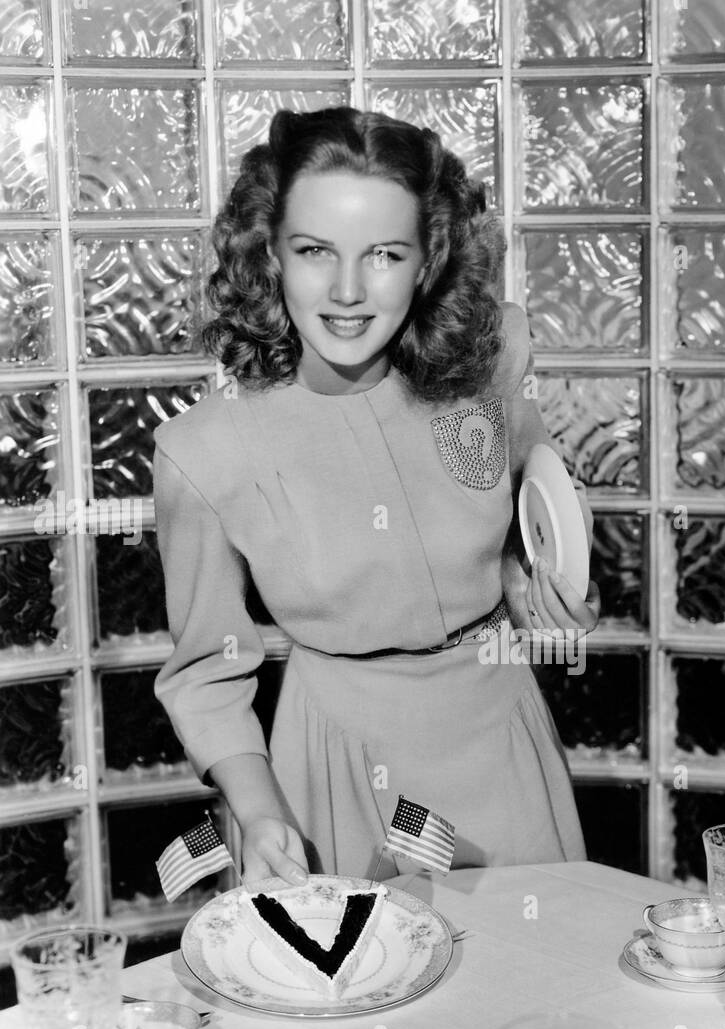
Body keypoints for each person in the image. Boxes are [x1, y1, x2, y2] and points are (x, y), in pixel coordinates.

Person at [152, 106, 601, 885]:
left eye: (385, 254)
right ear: (270, 255)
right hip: (334, 763)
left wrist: (532, 577)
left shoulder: (489, 366)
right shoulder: (204, 451)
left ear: (428, 261)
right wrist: (259, 813)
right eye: (314, 251)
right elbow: (205, 673)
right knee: (363, 990)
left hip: (498, 731)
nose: (349, 291)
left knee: (535, 986)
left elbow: (532, 487)